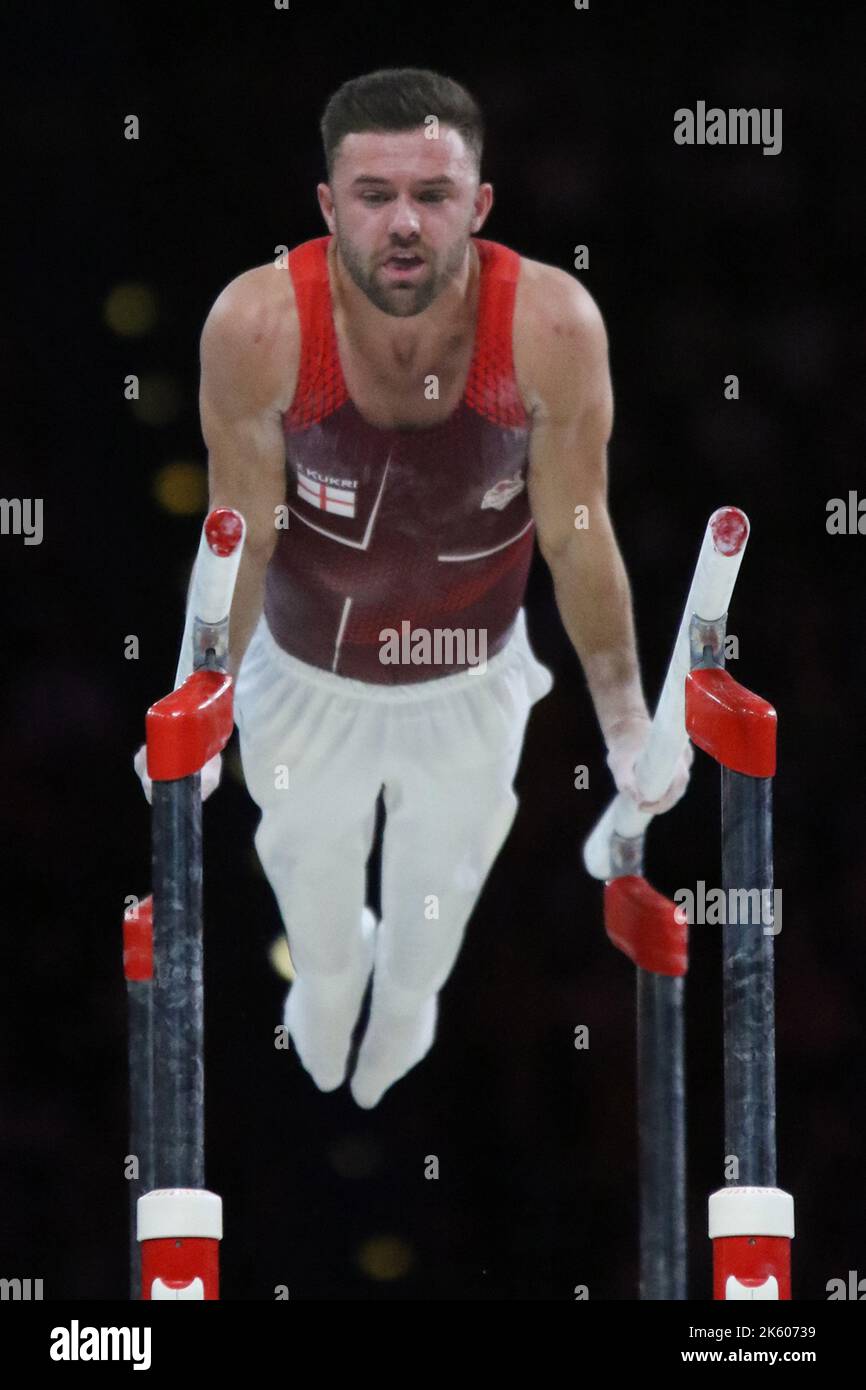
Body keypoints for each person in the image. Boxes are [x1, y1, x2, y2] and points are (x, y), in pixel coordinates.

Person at [134, 67, 693, 1109]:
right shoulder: (258, 329)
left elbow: (579, 539)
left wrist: (624, 722)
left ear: (478, 207)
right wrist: (196, 701)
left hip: (468, 693)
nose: (403, 224)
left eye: (432, 196)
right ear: (325, 205)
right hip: (303, 684)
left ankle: (402, 1002)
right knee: (324, 962)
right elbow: (239, 538)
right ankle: (335, 968)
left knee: (417, 975)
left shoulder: (550, 327)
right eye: (373, 194)